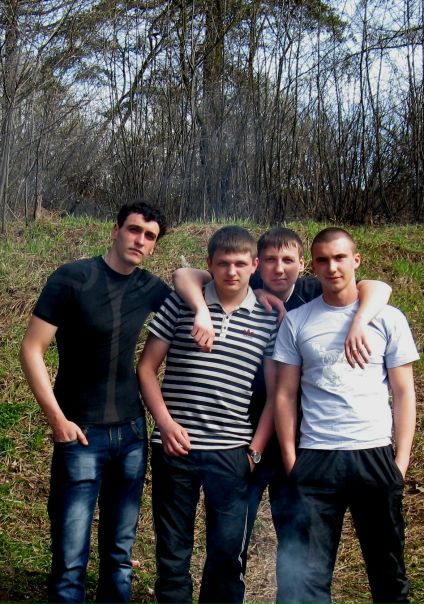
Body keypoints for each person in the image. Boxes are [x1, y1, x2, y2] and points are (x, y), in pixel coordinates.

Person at [172, 226, 392, 574]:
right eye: (270, 260)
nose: (279, 268)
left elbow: (378, 287)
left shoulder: (313, 291)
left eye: (288, 260)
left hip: (300, 441)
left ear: (303, 264)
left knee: (296, 543)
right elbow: (184, 275)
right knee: (232, 541)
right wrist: (206, 306)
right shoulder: (243, 288)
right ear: (258, 264)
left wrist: (360, 320)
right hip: (246, 439)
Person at [20, 202, 170, 604]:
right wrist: (57, 420)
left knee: (120, 557)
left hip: (132, 435)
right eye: (134, 230)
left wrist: (210, 313)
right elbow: (31, 349)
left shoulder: (150, 287)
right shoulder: (72, 278)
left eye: (150, 236)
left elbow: (198, 280)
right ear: (115, 230)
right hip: (80, 433)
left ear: (154, 245)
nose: (140, 240)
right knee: (70, 560)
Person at [273, 227, 419, 604]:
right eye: (323, 260)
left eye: (340, 257)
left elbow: (404, 393)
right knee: (308, 576)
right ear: (313, 266)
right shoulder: (297, 321)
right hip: (317, 457)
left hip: (374, 454)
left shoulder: (388, 319)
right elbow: (285, 395)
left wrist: (400, 462)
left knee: (388, 572)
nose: (332, 267)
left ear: (356, 260)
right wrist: (291, 458)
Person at [137, 226, 279, 604]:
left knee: (226, 555)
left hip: (232, 451)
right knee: (172, 553)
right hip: (175, 448)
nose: (231, 271)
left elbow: (274, 394)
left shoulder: (267, 318)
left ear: (255, 265)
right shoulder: (182, 304)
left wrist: (255, 449)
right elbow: (146, 369)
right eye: (223, 263)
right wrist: (165, 424)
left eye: (240, 264)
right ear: (210, 264)